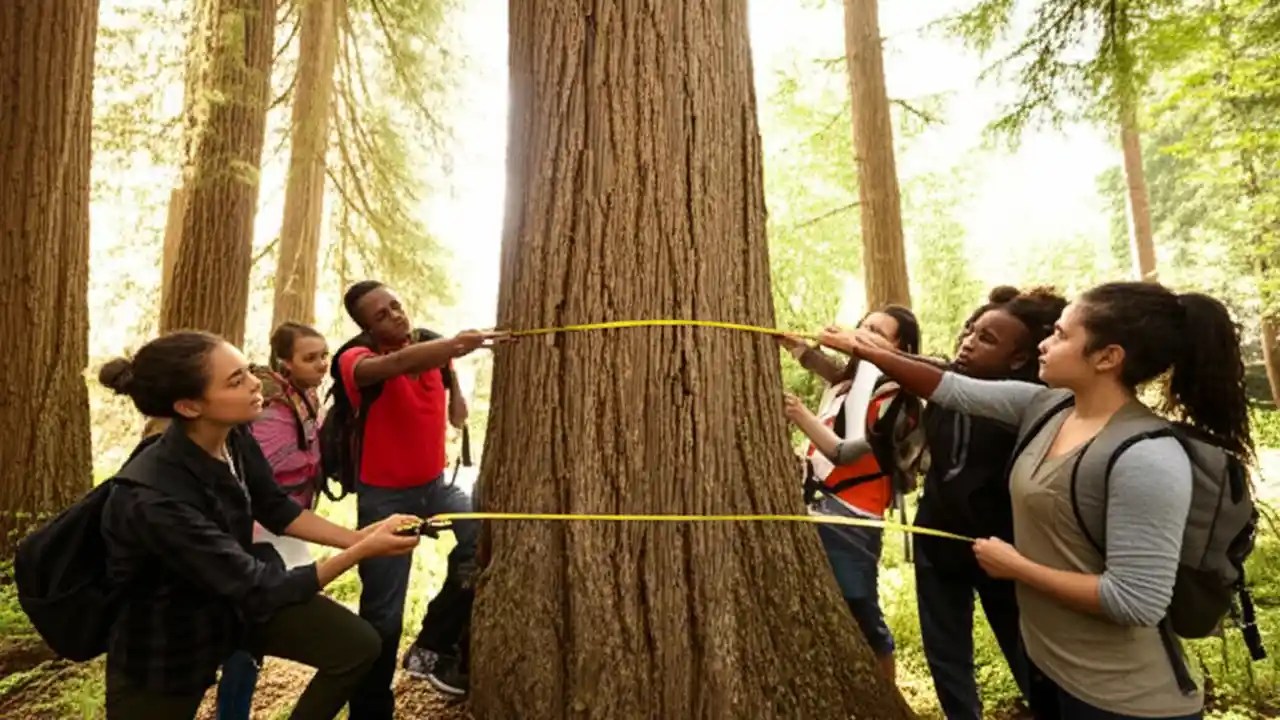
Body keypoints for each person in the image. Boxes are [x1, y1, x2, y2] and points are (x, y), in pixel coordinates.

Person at [820, 281, 1251, 720]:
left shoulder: (1146, 457)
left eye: (1062, 335)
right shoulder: (1047, 407)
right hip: (1054, 673)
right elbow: (949, 385)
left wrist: (1016, 567)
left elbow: (1137, 600)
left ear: (1108, 357)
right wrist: (864, 348)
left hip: (1125, 700)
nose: (1045, 342)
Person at [98, 330, 424, 720]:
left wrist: (357, 537)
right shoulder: (152, 497)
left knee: (355, 646)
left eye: (248, 370)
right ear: (188, 406)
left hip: (233, 605)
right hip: (167, 641)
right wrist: (362, 551)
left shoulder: (233, 437)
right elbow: (261, 588)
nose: (256, 383)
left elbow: (276, 509)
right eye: (236, 381)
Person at [337, 280, 505, 715]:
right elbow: (391, 367)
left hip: (436, 487)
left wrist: (452, 373)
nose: (394, 315)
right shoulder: (356, 358)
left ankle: (431, 645)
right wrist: (453, 346)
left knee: (480, 541)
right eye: (380, 315)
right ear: (367, 329)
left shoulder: (432, 349)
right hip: (384, 499)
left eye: (395, 305)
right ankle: (371, 709)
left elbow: (456, 414)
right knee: (383, 612)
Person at [912, 286, 1064, 720]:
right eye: (970, 332)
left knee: (1027, 652)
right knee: (945, 655)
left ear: (1020, 359)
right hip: (936, 543)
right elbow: (901, 370)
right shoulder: (940, 388)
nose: (968, 342)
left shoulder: (1033, 405)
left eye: (987, 340)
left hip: (1005, 553)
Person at [778, 305, 923, 684]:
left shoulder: (893, 395)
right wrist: (794, 345)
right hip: (819, 503)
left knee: (859, 608)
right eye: (862, 324)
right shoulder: (851, 380)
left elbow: (845, 452)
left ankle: (885, 696)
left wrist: (798, 413)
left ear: (899, 346)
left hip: (853, 518)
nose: (862, 331)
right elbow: (828, 369)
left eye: (876, 330)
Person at [216, 322, 331, 720]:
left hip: (286, 522)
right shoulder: (267, 410)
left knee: (254, 626)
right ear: (285, 362)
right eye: (309, 357)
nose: (321, 364)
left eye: (323, 355)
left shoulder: (305, 397)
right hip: (256, 530)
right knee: (248, 628)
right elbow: (256, 481)